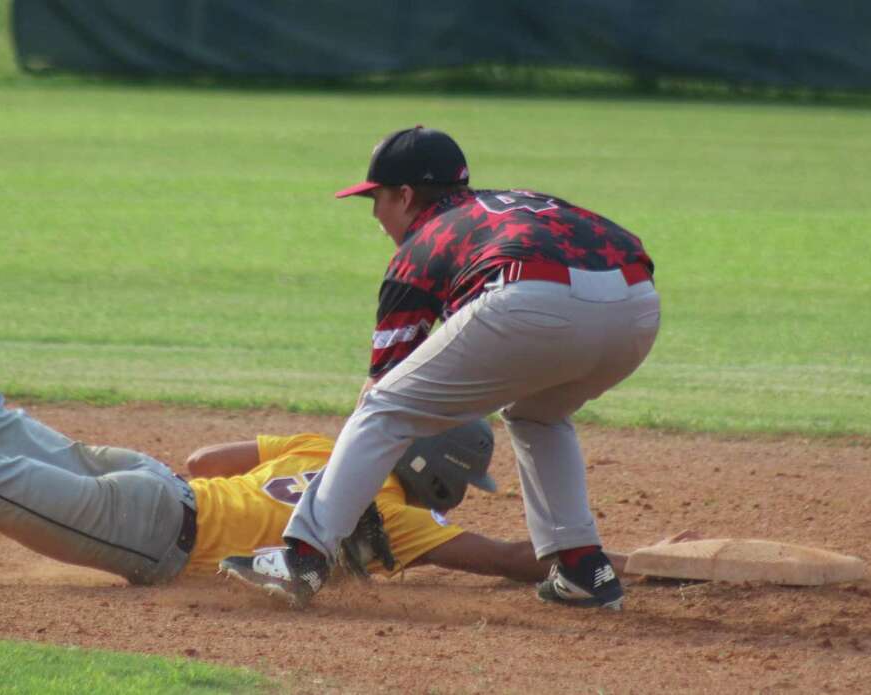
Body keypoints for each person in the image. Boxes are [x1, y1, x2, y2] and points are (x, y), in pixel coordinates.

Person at [0, 184, 661, 590]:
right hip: (149, 535)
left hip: (160, 481)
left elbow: (205, 457)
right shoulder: (401, 523)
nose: (461, 491)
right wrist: (634, 562)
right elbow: (511, 560)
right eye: (462, 480)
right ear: (431, 474)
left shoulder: (333, 455)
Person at [222, 127, 660, 610]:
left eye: (377, 199)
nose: (375, 214)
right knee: (539, 414)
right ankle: (584, 570)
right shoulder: (515, 202)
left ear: (405, 195)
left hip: (531, 297)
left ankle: (302, 558)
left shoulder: (424, 240)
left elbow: (382, 388)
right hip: (637, 306)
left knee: (384, 409)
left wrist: (355, 488)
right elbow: (625, 247)